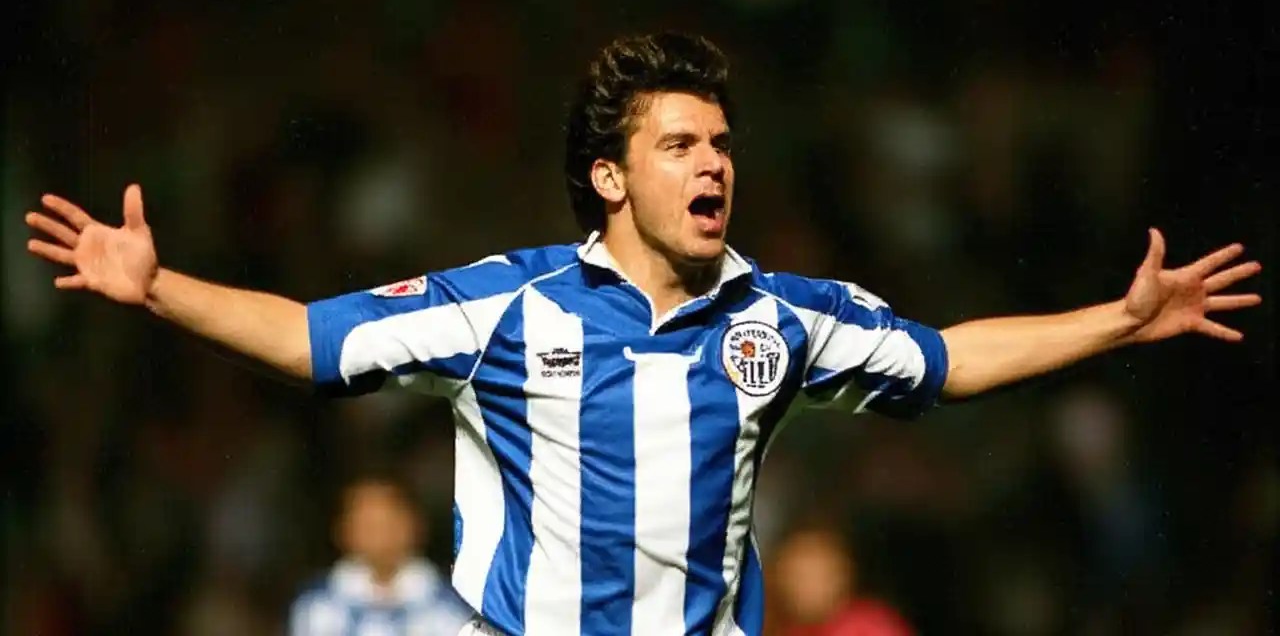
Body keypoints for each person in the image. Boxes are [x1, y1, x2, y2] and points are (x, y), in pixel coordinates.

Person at [24, 32, 1261, 636]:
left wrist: (1118, 321)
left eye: (720, 143)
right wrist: (155, 287)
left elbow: (945, 362)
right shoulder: (506, 305)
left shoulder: (778, 318)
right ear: (610, 180)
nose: (712, 163)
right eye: (678, 144)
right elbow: (310, 340)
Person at [290, 476, 473, 635]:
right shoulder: (316, 606)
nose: (379, 536)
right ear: (342, 530)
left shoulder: (452, 607)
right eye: (368, 525)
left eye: (388, 523)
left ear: (416, 526)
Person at [768, 523, 913, 636]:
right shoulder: (784, 629)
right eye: (797, 576)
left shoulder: (873, 627)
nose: (807, 587)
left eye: (818, 574)